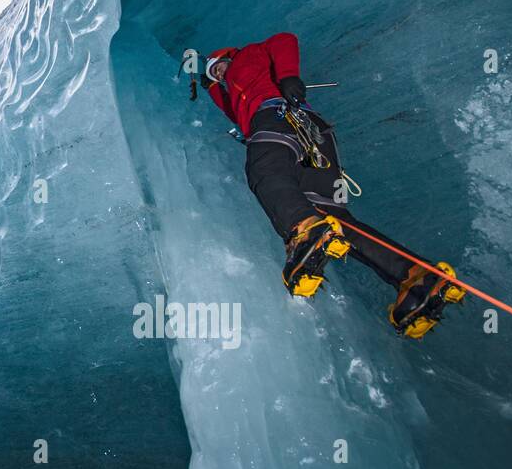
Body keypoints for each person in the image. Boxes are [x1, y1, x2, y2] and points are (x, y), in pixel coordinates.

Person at [199, 32, 464, 338]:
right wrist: (207, 82)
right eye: (216, 74)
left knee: (264, 170)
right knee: (334, 218)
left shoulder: (247, 57)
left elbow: (283, 39)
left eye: (220, 67)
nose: (220, 74)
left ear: (229, 57)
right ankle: (419, 278)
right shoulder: (235, 90)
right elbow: (230, 105)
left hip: (278, 117)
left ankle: (302, 229)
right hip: (315, 133)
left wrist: (287, 77)